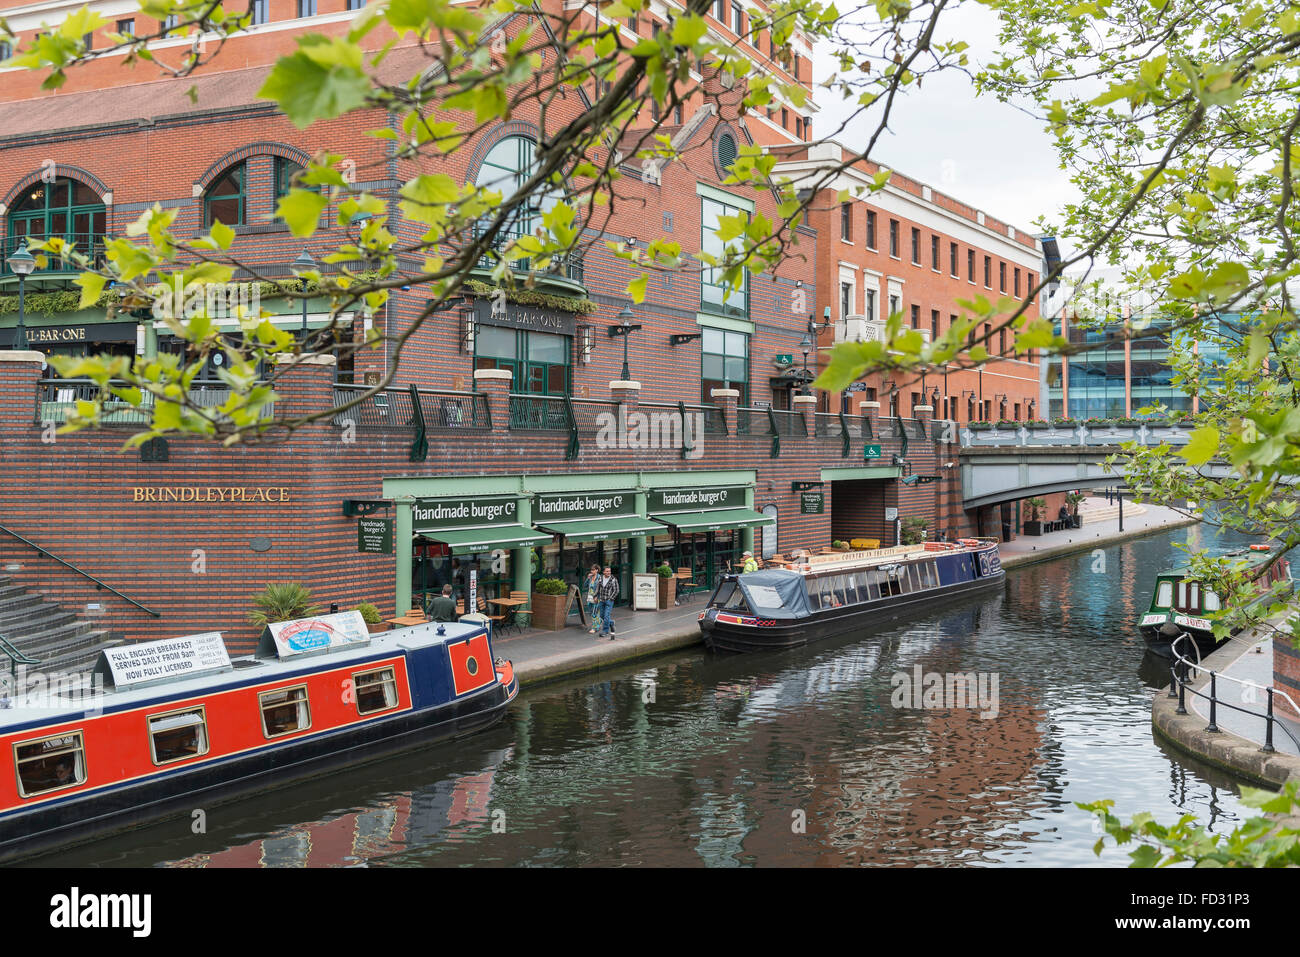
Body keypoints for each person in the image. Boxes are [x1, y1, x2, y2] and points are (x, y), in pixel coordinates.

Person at [596, 566, 619, 639]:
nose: (609, 572)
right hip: (601, 600)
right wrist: (595, 596)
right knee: (602, 616)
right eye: (607, 571)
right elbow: (598, 587)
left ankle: (605, 631)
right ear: (603, 572)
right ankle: (611, 622)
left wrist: (611, 599)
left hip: (609, 601)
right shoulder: (600, 578)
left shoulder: (613, 579)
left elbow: (616, 590)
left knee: (606, 616)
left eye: (609, 571)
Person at [585, 564, 602, 635]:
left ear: (597, 570)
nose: (591, 571)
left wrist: (597, 597)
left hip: (596, 598)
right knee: (591, 612)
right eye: (591, 570)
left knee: (594, 613)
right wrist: (588, 578)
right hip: (589, 598)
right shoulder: (590, 577)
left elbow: (600, 589)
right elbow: (585, 585)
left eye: (593, 570)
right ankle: (599, 621)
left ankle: (594, 628)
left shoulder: (599, 578)